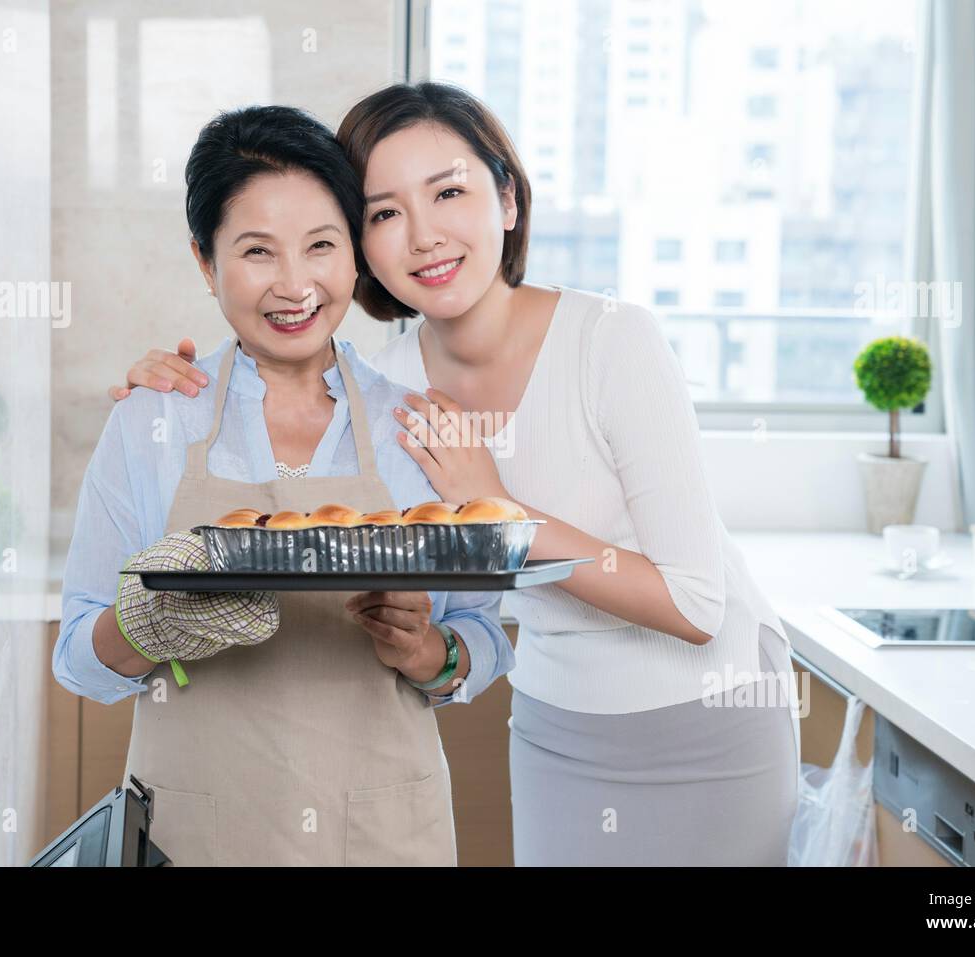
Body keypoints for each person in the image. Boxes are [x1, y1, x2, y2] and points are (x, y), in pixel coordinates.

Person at [113, 84, 800, 866]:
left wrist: (503, 508)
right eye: (383, 213)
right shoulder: (391, 383)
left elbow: (694, 602)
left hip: (710, 716)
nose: (424, 236)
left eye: (449, 192)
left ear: (506, 199)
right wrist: (170, 381)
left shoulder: (612, 342)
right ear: (360, 243)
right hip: (559, 720)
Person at [54, 105, 512, 866]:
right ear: (206, 262)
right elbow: (77, 656)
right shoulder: (152, 423)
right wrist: (144, 627)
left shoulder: (417, 425)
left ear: (356, 256)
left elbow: (485, 639)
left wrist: (429, 651)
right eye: (258, 252)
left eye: (322, 246)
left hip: (381, 833)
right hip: (195, 832)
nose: (295, 285)